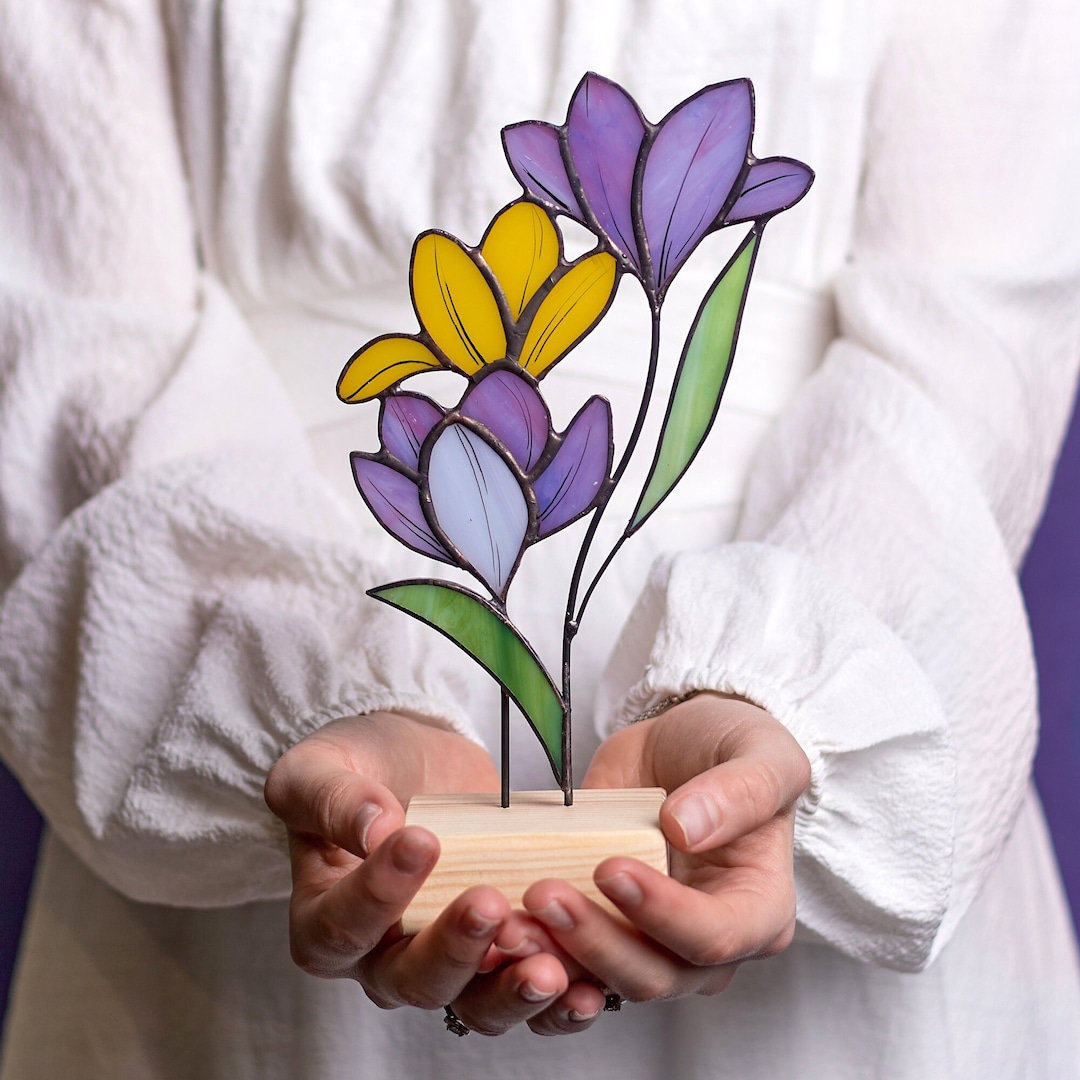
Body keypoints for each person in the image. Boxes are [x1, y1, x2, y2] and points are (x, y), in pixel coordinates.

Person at [1, 1, 1078, 1077]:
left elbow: (969, 356)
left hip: (789, 856)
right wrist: (306, 698)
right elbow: (74, 361)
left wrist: (783, 706)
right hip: (276, 891)